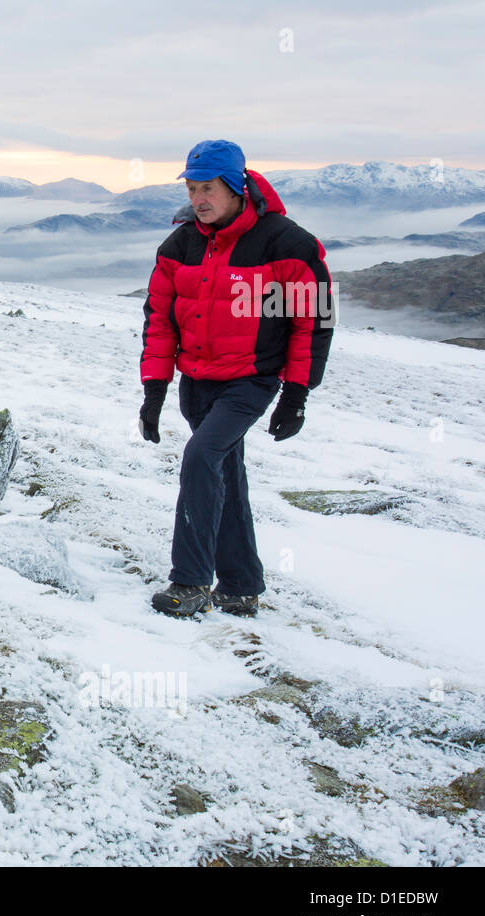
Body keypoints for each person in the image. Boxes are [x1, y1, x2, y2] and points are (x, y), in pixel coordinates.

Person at [138, 139, 334, 618]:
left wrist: (296, 395)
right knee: (224, 473)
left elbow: (313, 319)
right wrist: (154, 390)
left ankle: (189, 582)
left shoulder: (283, 242)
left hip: (251, 379)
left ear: (236, 186)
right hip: (197, 381)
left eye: (208, 188)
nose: (198, 198)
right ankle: (241, 586)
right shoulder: (181, 244)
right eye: (191, 187)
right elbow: (160, 318)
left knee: (202, 458)